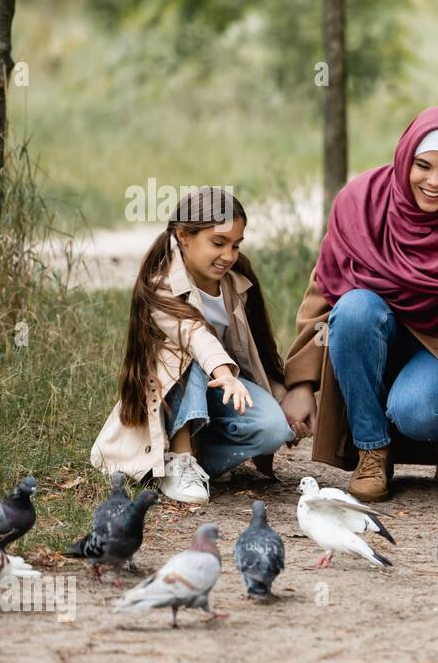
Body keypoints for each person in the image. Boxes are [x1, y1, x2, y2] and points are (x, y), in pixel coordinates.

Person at [281, 107, 438, 502]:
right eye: (423, 166)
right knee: (352, 310)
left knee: (417, 410)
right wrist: (301, 382)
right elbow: (324, 287)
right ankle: (372, 450)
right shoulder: (360, 200)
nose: (434, 182)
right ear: (405, 159)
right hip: (373, 332)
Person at [91, 187, 293, 502]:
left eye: (235, 245)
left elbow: (252, 352)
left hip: (220, 386)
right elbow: (194, 333)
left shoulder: (234, 282)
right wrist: (224, 372)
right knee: (185, 354)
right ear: (185, 235)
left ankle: (195, 462)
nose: (229, 255)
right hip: (179, 389)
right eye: (218, 243)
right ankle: (179, 458)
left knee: (274, 429)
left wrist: (284, 395)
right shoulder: (160, 286)